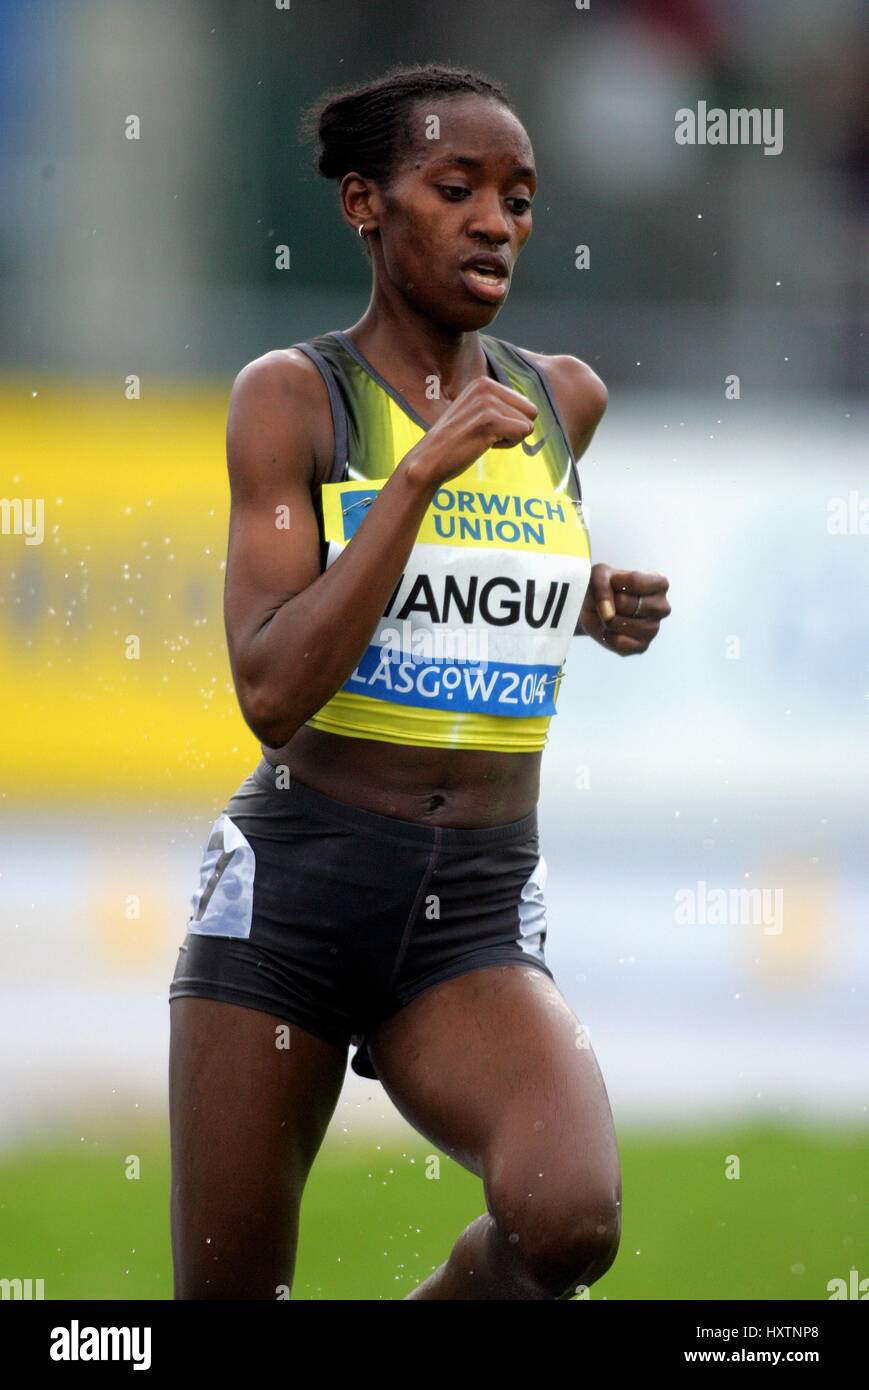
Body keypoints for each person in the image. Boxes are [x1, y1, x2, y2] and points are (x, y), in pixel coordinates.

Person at [168, 63, 671, 1301]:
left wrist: (585, 601)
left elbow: (490, 565)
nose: (495, 219)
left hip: (473, 910)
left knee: (567, 1225)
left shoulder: (560, 400)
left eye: (519, 198)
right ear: (363, 205)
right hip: (292, 903)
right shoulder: (294, 398)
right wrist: (412, 479)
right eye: (456, 189)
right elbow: (271, 686)